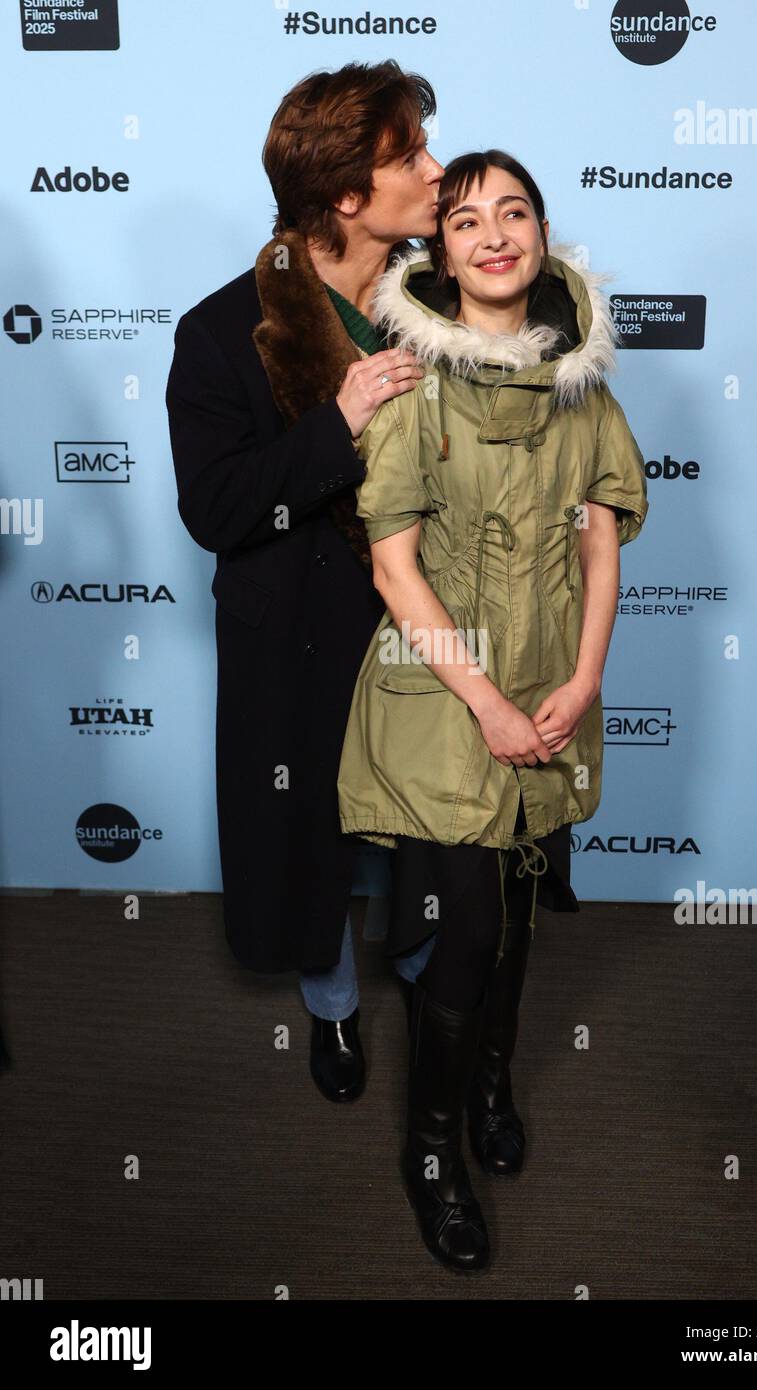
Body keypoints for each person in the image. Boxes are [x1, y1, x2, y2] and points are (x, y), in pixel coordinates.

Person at [337, 150, 649, 1272]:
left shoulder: (584, 384)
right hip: (441, 692)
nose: (492, 233)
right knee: (463, 928)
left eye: (512, 212)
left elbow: (600, 542)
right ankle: (431, 1156)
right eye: (465, 219)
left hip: (551, 689)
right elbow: (390, 569)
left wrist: (580, 679)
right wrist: (483, 702)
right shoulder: (413, 382)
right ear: (440, 251)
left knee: (516, 913)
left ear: (540, 234)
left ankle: (491, 1081)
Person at [165, 61, 445, 1103]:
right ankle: (331, 1013)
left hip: (423, 626)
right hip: (295, 636)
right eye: (405, 157)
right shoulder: (217, 332)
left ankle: (429, 989)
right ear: (343, 196)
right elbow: (220, 511)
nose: (433, 171)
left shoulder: (448, 306)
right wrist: (340, 422)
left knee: (429, 829)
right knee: (307, 830)